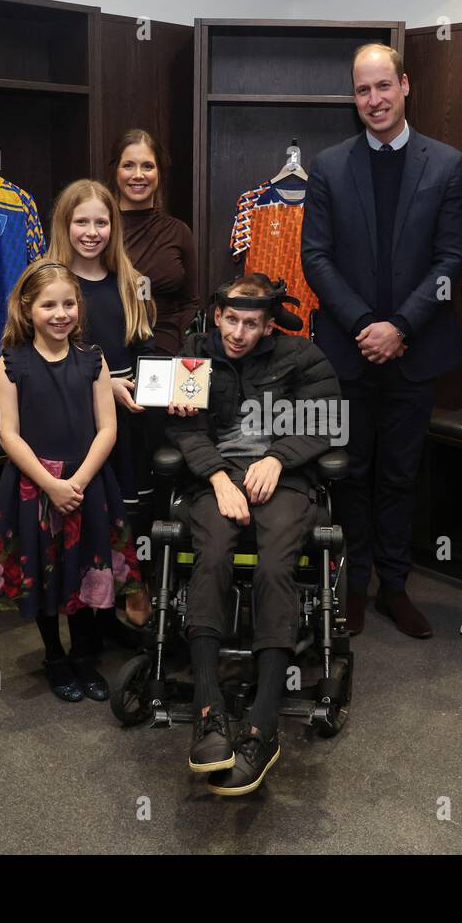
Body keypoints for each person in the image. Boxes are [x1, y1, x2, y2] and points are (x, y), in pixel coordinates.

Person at [302, 42, 462, 639]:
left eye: (382, 86)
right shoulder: (328, 166)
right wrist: (362, 327)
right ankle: (352, 586)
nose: (373, 99)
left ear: (405, 85)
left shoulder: (446, 165)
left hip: (415, 352)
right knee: (348, 474)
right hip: (348, 355)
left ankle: (394, 587)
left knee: (400, 476)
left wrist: (399, 327)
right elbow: (315, 258)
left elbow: (451, 260)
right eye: (361, 90)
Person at [165, 273, 341, 797]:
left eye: (252, 324)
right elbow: (184, 430)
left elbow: (326, 421)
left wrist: (276, 459)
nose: (239, 333)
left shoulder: (304, 357)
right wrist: (218, 477)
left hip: (283, 478)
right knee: (212, 555)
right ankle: (208, 712)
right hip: (216, 476)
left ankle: (263, 724)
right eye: (232, 320)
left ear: (268, 327)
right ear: (217, 314)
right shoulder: (193, 355)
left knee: (273, 565)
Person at [0, 259, 144, 703]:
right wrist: (50, 484)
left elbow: (107, 428)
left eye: (69, 303)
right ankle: (55, 656)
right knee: (45, 572)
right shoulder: (11, 363)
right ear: (28, 308)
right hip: (34, 488)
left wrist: (79, 480)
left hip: (87, 484)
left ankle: (85, 656)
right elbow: (8, 433)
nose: (61, 313)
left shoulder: (93, 359)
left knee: (86, 568)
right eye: (49, 305)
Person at [46, 178, 153, 629]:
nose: (92, 231)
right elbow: (34, 361)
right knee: (90, 517)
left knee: (129, 511)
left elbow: (143, 344)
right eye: (81, 221)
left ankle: (125, 593)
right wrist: (103, 385)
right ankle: (90, 615)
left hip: (129, 415)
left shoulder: (130, 281)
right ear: (64, 225)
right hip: (77, 422)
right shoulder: (50, 283)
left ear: (114, 226)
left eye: (102, 221)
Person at [109, 128, 198, 356]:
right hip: (107, 352)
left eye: (147, 166)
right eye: (128, 165)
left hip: (166, 355)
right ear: (115, 171)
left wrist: (182, 348)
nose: (138, 174)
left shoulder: (178, 232)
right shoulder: (100, 230)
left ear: (159, 172)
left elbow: (190, 302)